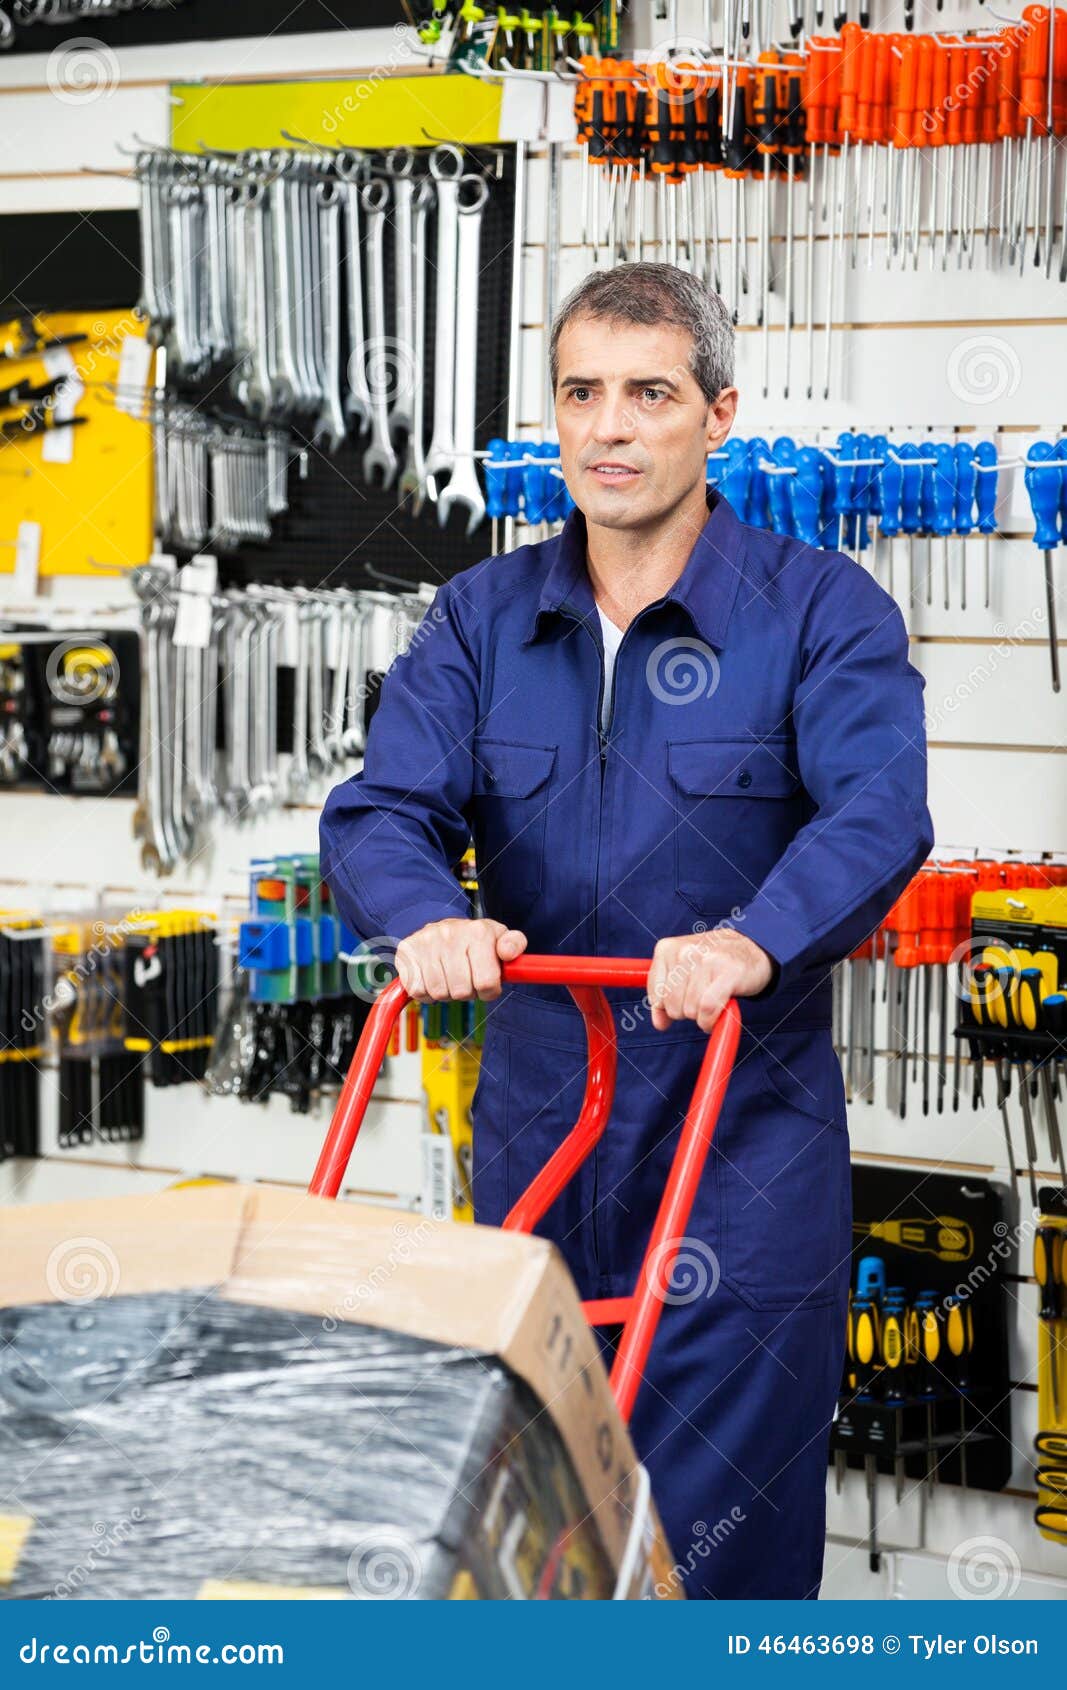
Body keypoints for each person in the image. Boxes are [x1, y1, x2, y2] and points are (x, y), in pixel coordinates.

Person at [320, 262, 934, 1598]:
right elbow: (380, 811)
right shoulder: (480, 618)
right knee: (534, 1542)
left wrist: (752, 940)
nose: (609, 427)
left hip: (741, 1156)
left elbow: (878, 812)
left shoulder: (823, 612)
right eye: (581, 393)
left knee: (707, 1558)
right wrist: (429, 916)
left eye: (650, 394)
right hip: (542, 1142)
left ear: (719, 413)